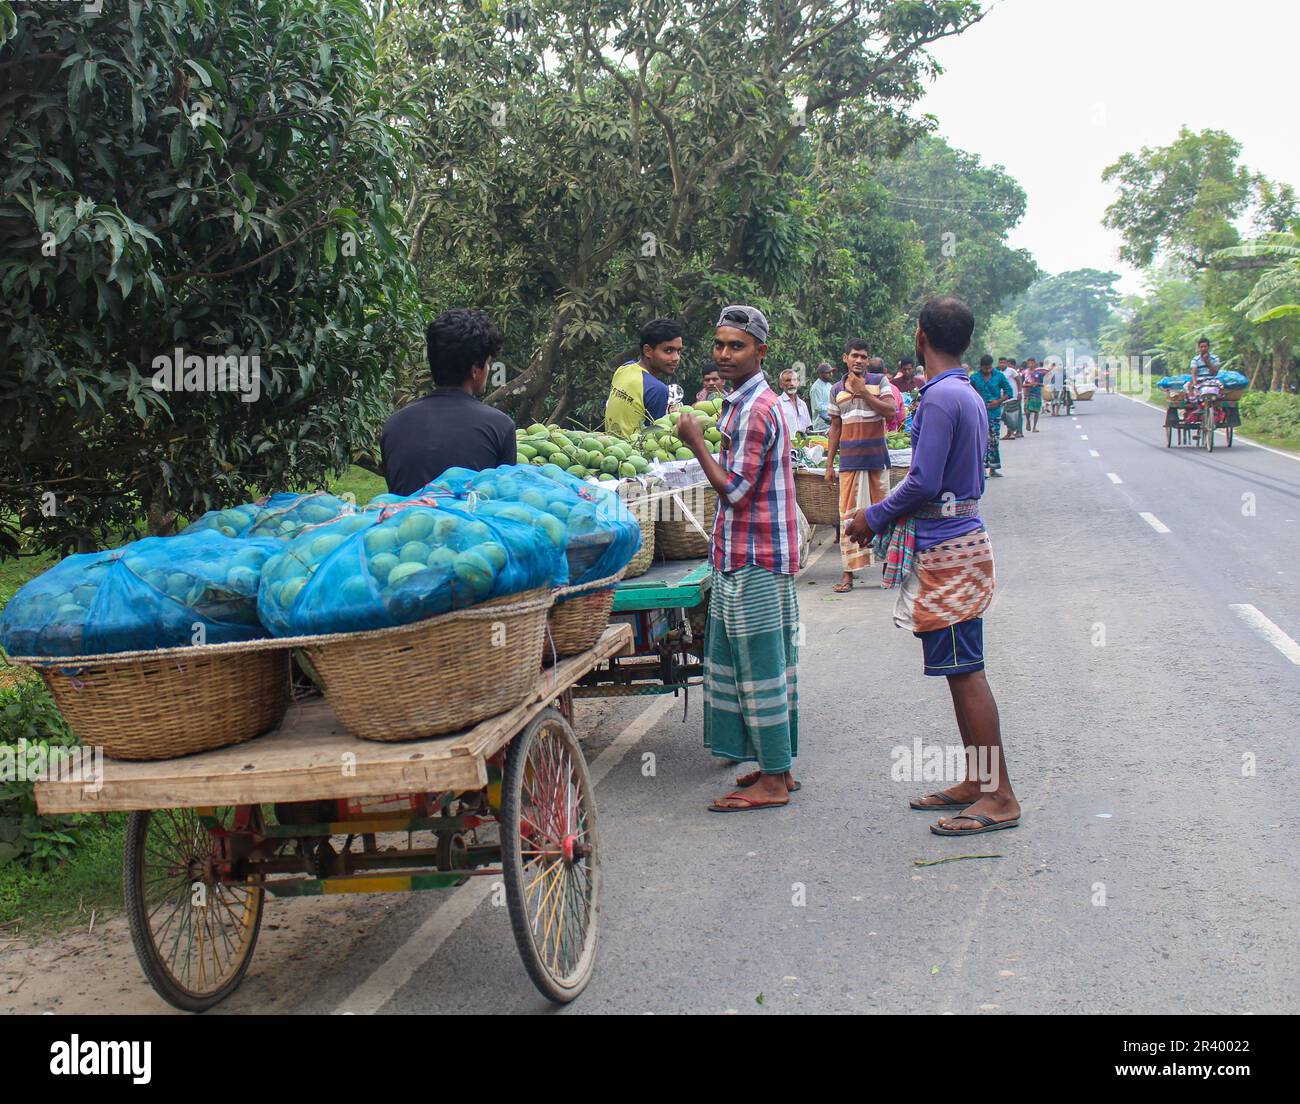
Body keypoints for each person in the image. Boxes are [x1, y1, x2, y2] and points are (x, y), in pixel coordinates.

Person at [845, 296, 1020, 837]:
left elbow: (922, 481)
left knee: (967, 672)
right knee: (957, 670)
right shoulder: (963, 393)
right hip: (956, 541)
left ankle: (1001, 796)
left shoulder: (941, 399)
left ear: (921, 336)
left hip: (950, 550)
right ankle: (977, 781)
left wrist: (871, 516)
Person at [675, 305, 800, 813]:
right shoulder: (746, 402)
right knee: (763, 665)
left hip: (755, 559)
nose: (725, 354)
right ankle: (779, 768)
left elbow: (736, 490)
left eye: (737, 346)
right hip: (748, 553)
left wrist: (697, 444)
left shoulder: (754, 409)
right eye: (720, 345)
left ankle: (773, 780)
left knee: (760, 669)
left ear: (761, 351)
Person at [380, 309, 515, 496]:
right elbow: (504, 499)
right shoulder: (499, 426)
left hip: (404, 523)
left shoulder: (394, 425)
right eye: (487, 362)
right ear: (476, 370)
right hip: (467, 525)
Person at [825, 340, 896, 592]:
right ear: (846, 358)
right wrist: (829, 464)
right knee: (848, 517)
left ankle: (889, 569)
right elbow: (835, 427)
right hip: (850, 463)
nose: (859, 360)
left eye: (863, 356)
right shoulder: (835, 390)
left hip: (877, 459)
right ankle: (848, 574)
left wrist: (863, 391)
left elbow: (891, 410)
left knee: (885, 515)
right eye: (854, 355)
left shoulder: (879, 382)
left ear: (868, 360)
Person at [604, 318, 682, 437]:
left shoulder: (623, 368)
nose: (676, 357)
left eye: (678, 351)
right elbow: (657, 438)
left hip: (611, 447)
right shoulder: (657, 390)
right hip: (634, 452)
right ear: (648, 351)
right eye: (668, 350)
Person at [969, 355, 1012, 477]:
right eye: (985, 368)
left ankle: (993, 468)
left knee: (994, 440)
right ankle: (981, 469)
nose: (987, 370)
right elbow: (968, 392)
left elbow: (1009, 392)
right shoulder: (974, 378)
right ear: (981, 366)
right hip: (979, 414)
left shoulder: (999, 376)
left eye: (989, 368)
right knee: (981, 441)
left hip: (994, 413)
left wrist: (998, 402)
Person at [776, 368, 812, 434]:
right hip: (785, 443)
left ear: (798, 383)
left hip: (802, 443)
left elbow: (806, 428)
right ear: (781, 384)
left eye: (794, 380)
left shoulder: (802, 404)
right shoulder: (777, 403)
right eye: (788, 380)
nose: (792, 383)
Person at [809, 361, 835, 432]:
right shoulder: (816, 388)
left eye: (831, 372)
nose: (831, 374)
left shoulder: (829, 385)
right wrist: (832, 407)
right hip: (821, 427)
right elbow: (818, 407)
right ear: (821, 374)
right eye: (828, 373)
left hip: (831, 424)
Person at [1000, 358, 1023, 440]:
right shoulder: (999, 373)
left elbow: (1018, 380)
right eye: (1000, 363)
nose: (1002, 364)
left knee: (1011, 415)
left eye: (1003, 362)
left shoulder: (1011, 371)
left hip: (1013, 396)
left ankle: (1012, 433)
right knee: (1004, 415)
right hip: (1003, 398)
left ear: (1006, 363)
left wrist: (1020, 392)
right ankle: (1010, 432)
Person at [1022, 357, 1045, 432]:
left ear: (1035, 364)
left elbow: (1042, 383)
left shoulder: (1038, 373)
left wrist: (1037, 384)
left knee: (1036, 410)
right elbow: (1021, 383)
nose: (1031, 365)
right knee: (1027, 410)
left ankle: (1034, 426)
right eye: (1029, 363)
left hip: (1036, 393)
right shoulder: (1024, 373)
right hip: (1027, 393)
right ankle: (1028, 421)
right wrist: (1028, 385)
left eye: (1032, 363)